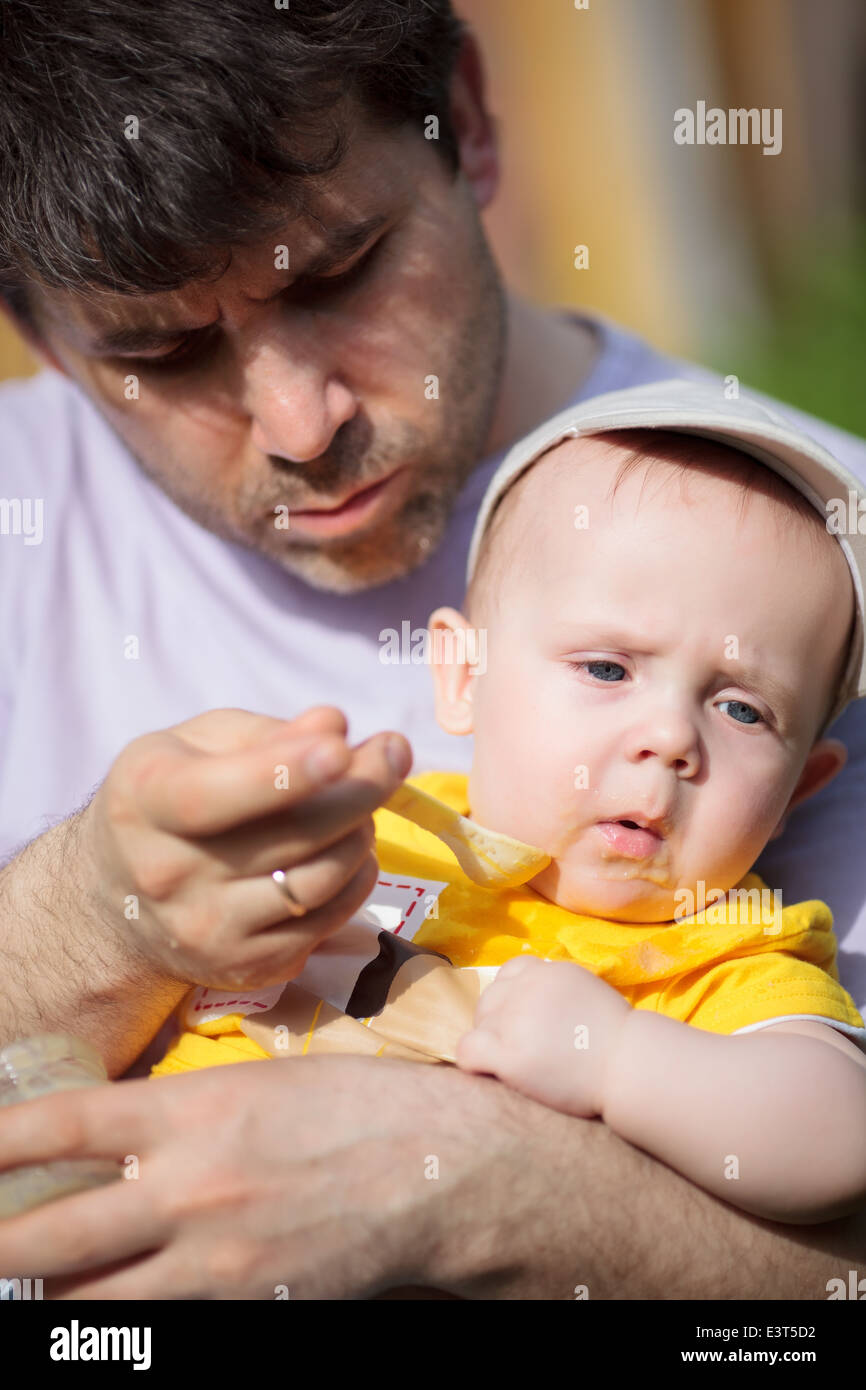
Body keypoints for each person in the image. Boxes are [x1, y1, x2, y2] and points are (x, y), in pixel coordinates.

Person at [0, 0, 864, 1298]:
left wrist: (483, 1186)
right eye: (161, 348)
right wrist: (85, 921)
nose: (299, 423)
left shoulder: (821, 574)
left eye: (339, 271)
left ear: (463, 116)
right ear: (36, 329)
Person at [152, 381, 866, 1227]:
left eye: (743, 709)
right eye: (608, 669)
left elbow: (835, 1139)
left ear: (797, 792)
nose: (672, 736)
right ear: (464, 675)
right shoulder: (370, 827)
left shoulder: (720, 960)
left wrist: (616, 1060)